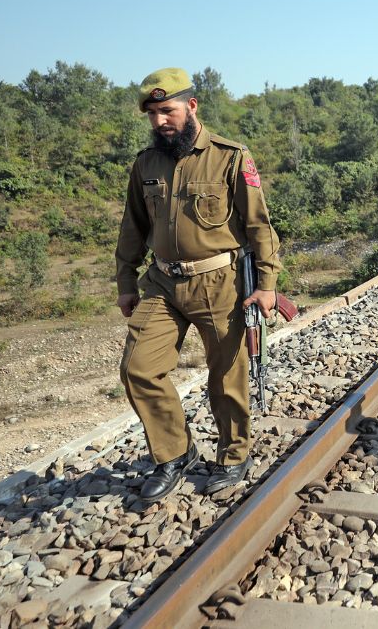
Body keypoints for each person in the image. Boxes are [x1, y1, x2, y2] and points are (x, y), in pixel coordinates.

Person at [116, 67, 283, 502]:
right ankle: (175, 453)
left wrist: (266, 283)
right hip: (161, 281)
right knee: (138, 369)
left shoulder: (230, 156)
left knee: (226, 375)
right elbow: (133, 227)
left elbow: (258, 225)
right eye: (151, 114)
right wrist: (125, 281)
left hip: (218, 281)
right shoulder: (146, 163)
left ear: (191, 106)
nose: (159, 122)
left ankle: (233, 455)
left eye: (166, 111)